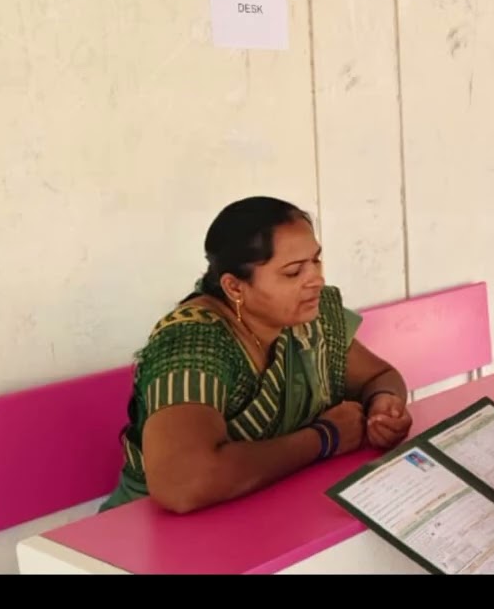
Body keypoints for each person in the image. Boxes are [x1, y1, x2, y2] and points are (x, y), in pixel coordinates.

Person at [99, 196, 413, 514]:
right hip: (149, 535)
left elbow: (378, 377)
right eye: (293, 272)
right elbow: (184, 483)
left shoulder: (305, 318)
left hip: (265, 511)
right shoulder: (194, 342)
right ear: (235, 287)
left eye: (316, 261)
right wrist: (324, 439)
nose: (316, 279)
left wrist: (384, 407)